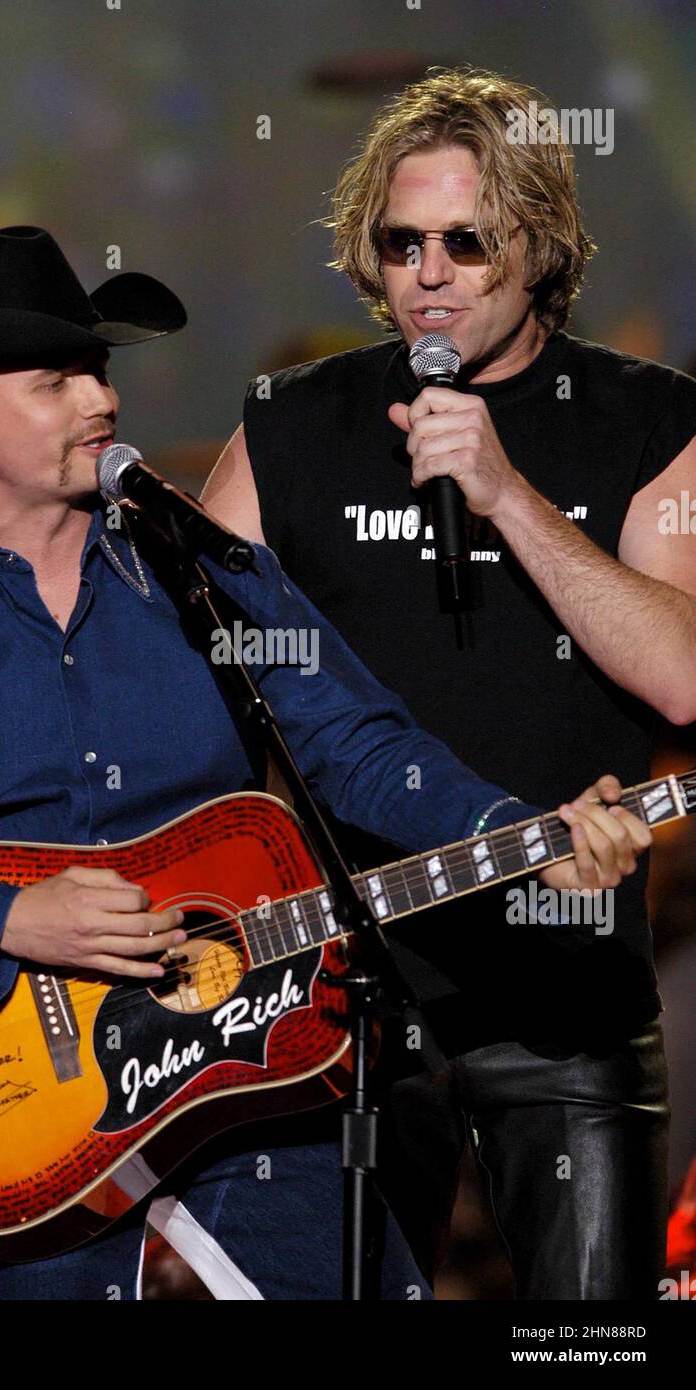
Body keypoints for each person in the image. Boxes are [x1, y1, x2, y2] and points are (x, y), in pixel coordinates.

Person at [0, 225, 648, 1302]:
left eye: (99, 368)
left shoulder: (205, 571)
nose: (99, 402)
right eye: (55, 379)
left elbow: (357, 744)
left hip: (248, 1054)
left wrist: (519, 834)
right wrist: (5, 924)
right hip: (12, 1102)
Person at [201, 66, 696, 1300]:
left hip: (564, 979)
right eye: (400, 242)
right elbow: (183, 682)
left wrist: (505, 494)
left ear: (536, 243)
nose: (427, 271)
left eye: (465, 243)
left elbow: (684, 678)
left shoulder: (645, 422)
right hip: (333, 999)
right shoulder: (290, 425)